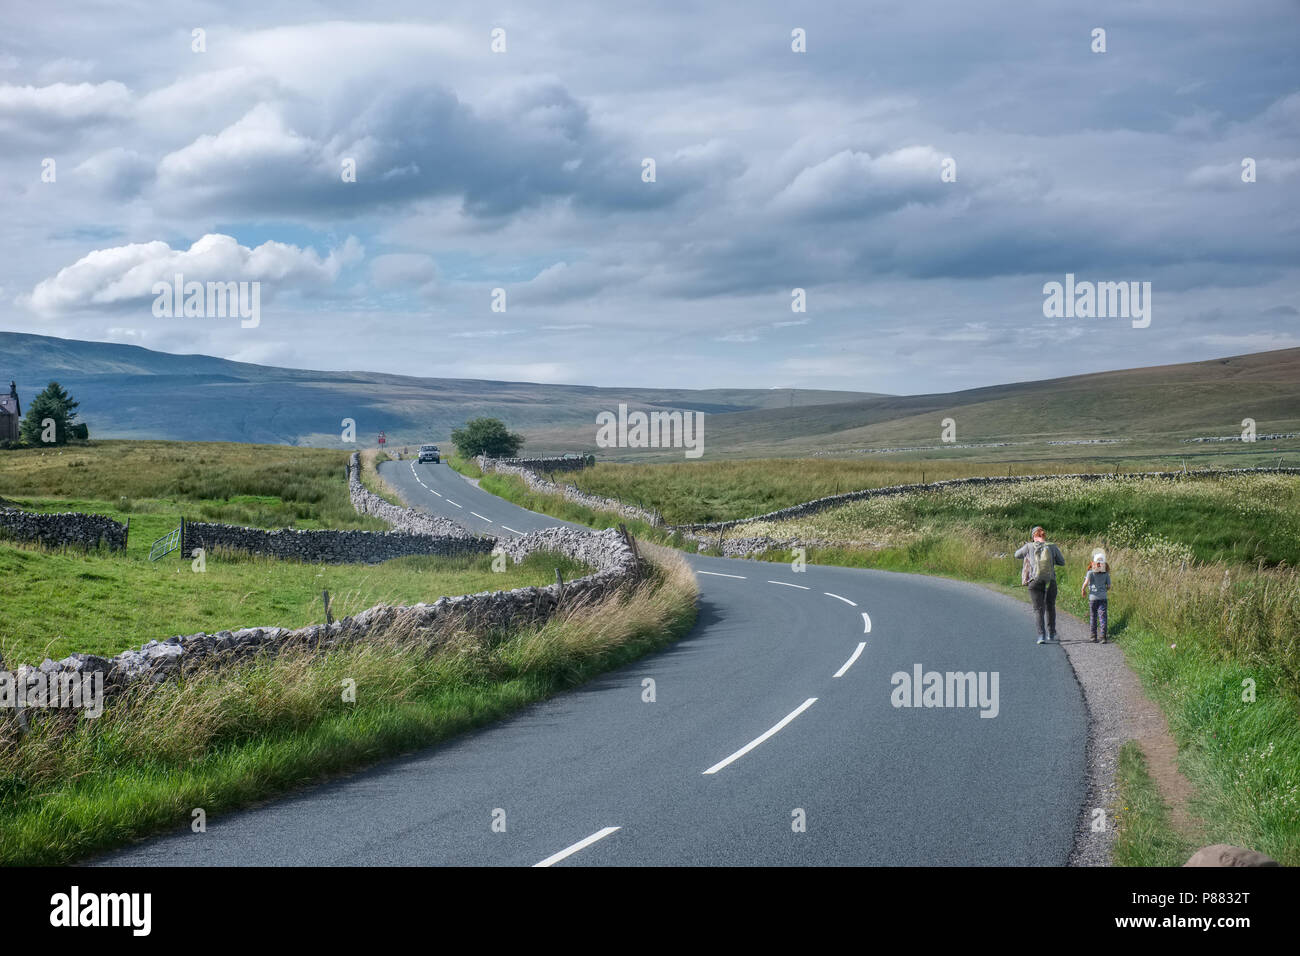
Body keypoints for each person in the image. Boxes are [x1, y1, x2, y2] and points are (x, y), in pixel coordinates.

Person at [1015, 526, 1065, 644]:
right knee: (1050, 607)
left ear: (1033, 536)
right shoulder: (1052, 546)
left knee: (1038, 609)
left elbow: (1016, 555)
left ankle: (1041, 636)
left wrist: (1027, 554)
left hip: (1034, 581)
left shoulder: (1029, 546)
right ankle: (1051, 633)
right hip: (1050, 581)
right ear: (1044, 535)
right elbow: (1062, 562)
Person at [1081, 549, 1111, 643]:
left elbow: (1085, 583)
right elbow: (1109, 586)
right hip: (1103, 598)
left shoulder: (1090, 573)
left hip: (1092, 598)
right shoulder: (1106, 574)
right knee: (1103, 617)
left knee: (1093, 617)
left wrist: (1083, 590)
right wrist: (1104, 590)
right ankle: (1103, 637)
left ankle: (1093, 636)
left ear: (1093, 563)